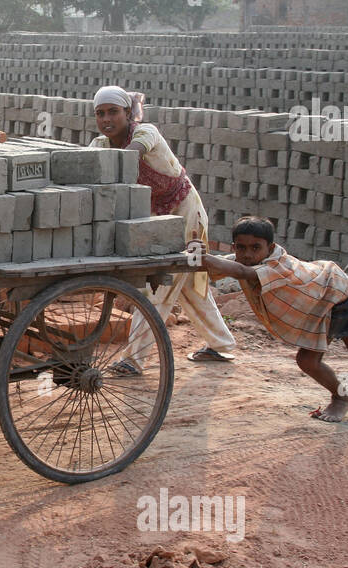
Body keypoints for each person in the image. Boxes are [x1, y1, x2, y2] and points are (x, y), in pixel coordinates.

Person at [199, 215, 348, 422]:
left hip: (336, 297)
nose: (247, 254)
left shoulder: (277, 266)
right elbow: (219, 266)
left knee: (309, 361)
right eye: (241, 247)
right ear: (234, 247)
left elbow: (240, 271)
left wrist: (205, 257)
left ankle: (343, 397)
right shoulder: (243, 261)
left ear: (270, 248)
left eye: (255, 247)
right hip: (326, 296)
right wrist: (191, 256)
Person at [88, 85, 237, 371]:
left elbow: (129, 158)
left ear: (128, 113)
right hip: (158, 222)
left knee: (160, 286)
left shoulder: (146, 133)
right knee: (190, 286)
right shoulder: (100, 145)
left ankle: (133, 359)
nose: (107, 120)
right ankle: (222, 344)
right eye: (100, 114)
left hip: (187, 216)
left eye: (113, 112)